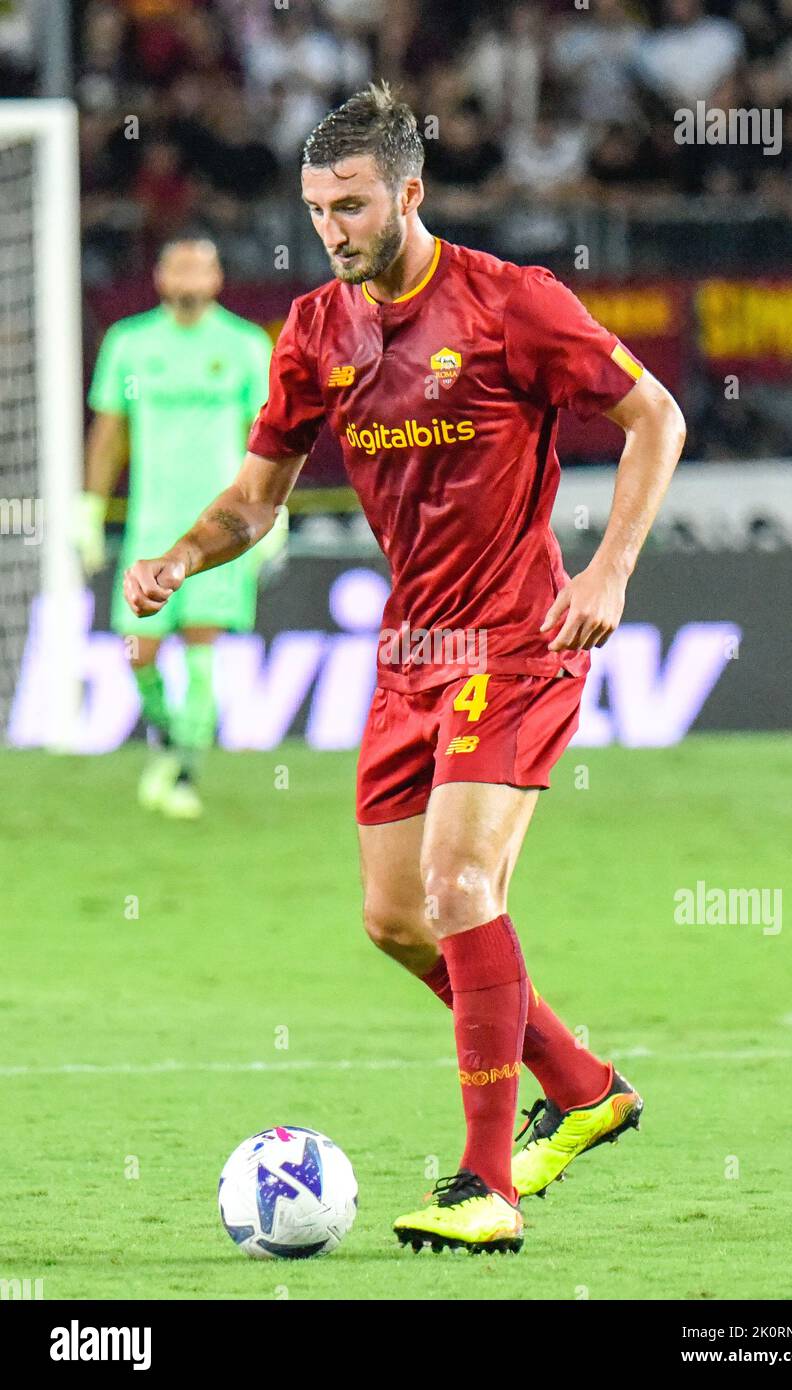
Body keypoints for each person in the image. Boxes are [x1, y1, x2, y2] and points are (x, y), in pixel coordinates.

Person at [123, 84, 686, 1250]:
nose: (331, 227)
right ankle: (583, 1087)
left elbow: (655, 418)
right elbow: (255, 500)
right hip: (409, 650)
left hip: (516, 639)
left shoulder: (508, 304)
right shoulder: (315, 332)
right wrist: (181, 554)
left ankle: (488, 1182)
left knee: (457, 888)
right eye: (316, 206)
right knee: (393, 918)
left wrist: (609, 571)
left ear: (409, 193)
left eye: (352, 203)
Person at [77, 238, 279, 818]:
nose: (190, 276)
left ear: (218, 277)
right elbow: (108, 431)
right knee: (138, 651)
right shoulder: (131, 344)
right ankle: (166, 736)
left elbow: (264, 439)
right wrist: (89, 509)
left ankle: (187, 771)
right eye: (179, 266)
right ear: (161, 277)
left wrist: (271, 510)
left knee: (201, 646)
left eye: (201, 266)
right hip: (150, 522)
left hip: (217, 524)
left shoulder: (244, 346)